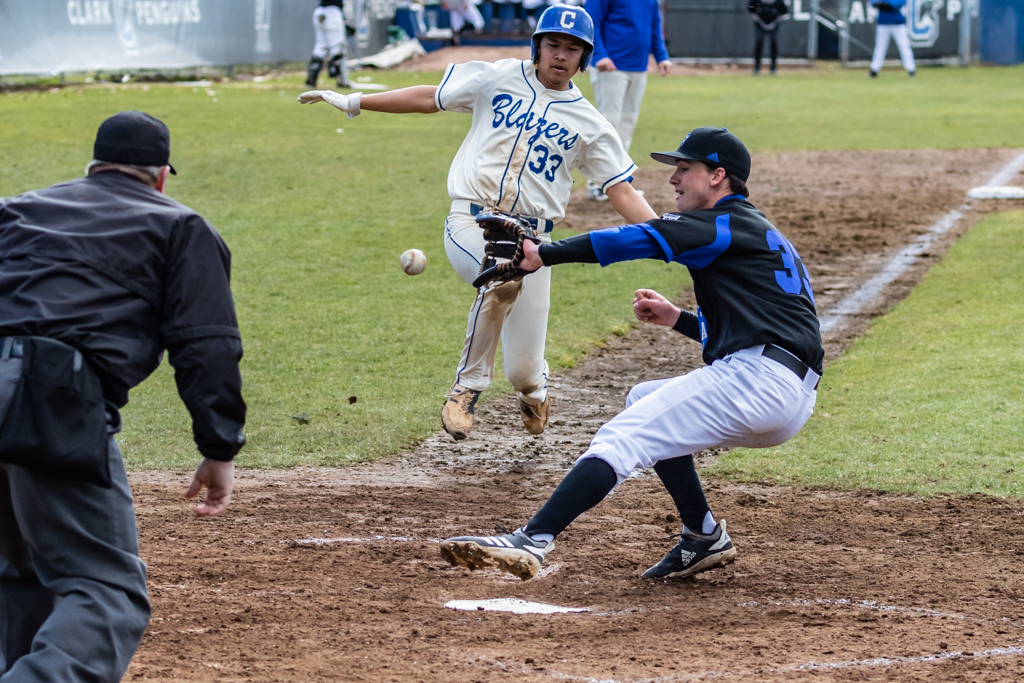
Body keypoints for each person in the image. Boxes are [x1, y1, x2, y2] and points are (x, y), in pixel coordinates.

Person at [440, 127, 823, 581]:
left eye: (685, 169)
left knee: (621, 439)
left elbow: (631, 239)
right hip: (787, 390)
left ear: (719, 175)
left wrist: (542, 253)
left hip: (757, 384)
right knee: (643, 400)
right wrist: (676, 317)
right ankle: (702, 536)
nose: (674, 179)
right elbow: (760, 326)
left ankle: (533, 539)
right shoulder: (756, 231)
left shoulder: (720, 225)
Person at [298, 4, 657, 441]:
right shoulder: (496, 76)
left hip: (535, 243)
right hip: (470, 220)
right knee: (499, 274)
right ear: (536, 47)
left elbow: (621, 190)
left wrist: (669, 234)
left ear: (584, 58)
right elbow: (429, 98)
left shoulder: (590, 123)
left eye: (572, 48)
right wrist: (355, 101)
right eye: (553, 44)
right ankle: (466, 389)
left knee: (523, 371)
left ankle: (537, 391)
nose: (560, 55)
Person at [0, 111, 246, 681]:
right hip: (52, 397)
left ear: (91, 167)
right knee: (107, 592)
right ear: (161, 176)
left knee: (19, 575)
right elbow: (205, 345)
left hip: (28, 385)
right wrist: (219, 445)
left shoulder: (15, 208)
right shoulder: (181, 226)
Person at [584, 0, 672, 201]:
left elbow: (654, 23)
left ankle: (617, 182)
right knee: (609, 125)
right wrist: (600, 55)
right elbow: (592, 22)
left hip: (638, 66)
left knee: (626, 126)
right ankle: (598, 183)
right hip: (611, 65)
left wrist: (661, 56)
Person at [307, 0, 354, 89]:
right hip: (333, 12)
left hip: (319, 12)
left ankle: (311, 79)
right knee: (338, 48)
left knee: (320, 47)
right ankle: (342, 81)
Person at [869, 0, 916, 77]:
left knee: (904, 45)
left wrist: (887, 4)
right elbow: (873, 2)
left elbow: (898, 4)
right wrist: (881, 4)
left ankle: (911, 68)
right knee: (880, 47)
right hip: (883, 23)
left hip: (897, 23)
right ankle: (874, 69)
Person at [748, 0, 789, 75]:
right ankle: (757, 68)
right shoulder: (756, 2)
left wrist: (773, 23)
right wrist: (760, 21)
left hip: (774, 24)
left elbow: (784, 13)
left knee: (774, 42)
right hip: (759, 25)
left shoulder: (779, 2)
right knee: (759, 41)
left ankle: (773, 69)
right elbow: (751, 9)